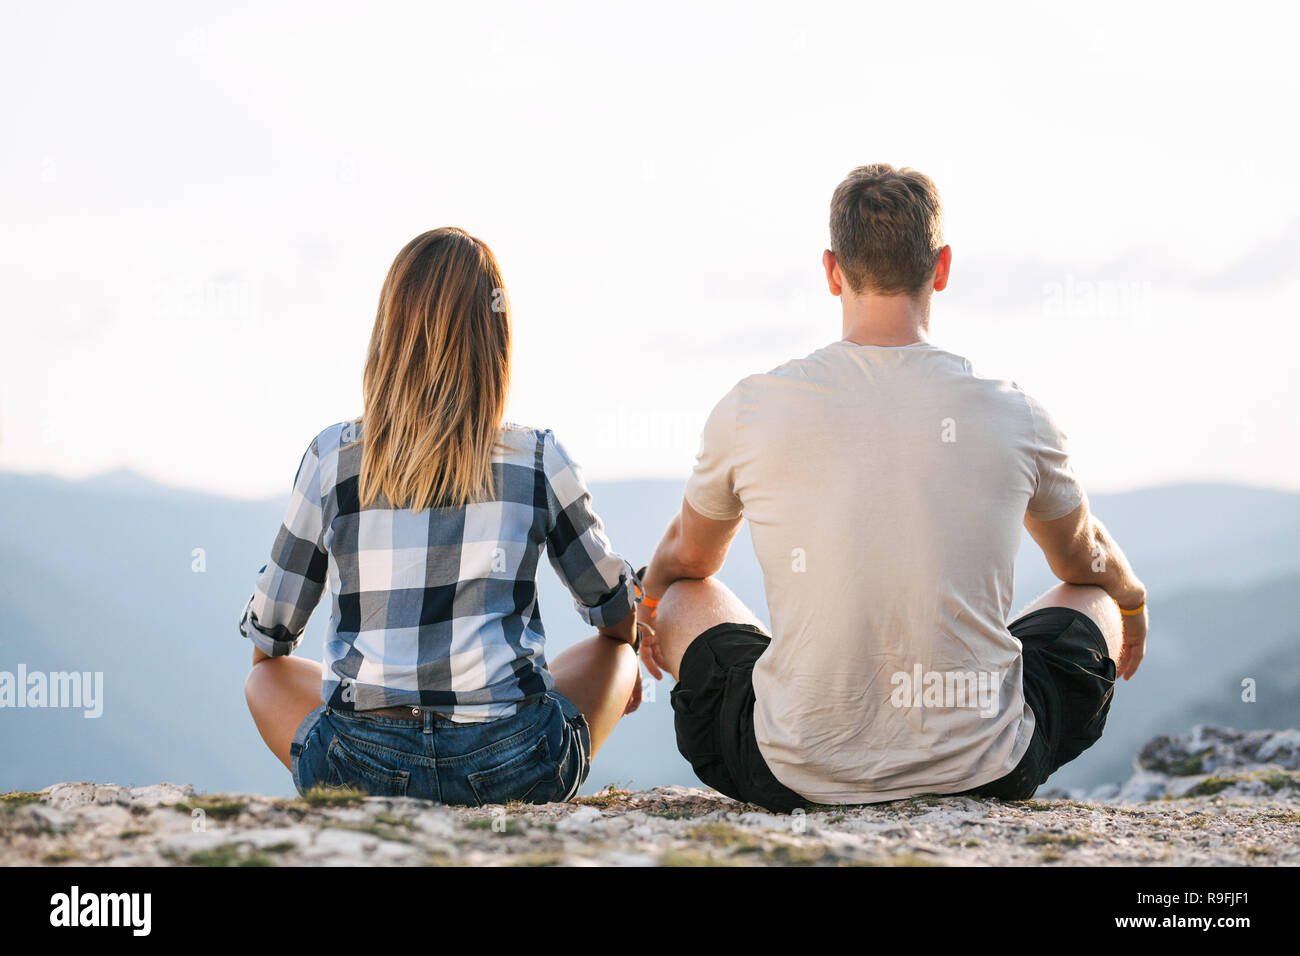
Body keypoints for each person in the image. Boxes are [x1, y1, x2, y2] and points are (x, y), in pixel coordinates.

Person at [636, 164, 1148, 811]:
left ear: (831, 270)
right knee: (1090, 594)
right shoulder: (1014, 412)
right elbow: (1084, 560)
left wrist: (647, 609)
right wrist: (1128, 600)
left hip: (788, 771)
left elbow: (688, 560)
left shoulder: (753, 405)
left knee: (684, 593)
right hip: (987, 765)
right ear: (941, 267)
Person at [241, 227, 641, 805]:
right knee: (616, 654)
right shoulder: (536, 459)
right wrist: (625, 652)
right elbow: (613, 611)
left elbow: (269, 640)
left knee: (262, 681)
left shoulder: (333, 459)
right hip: (511, 764)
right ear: (495, 340)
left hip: (365, 766)